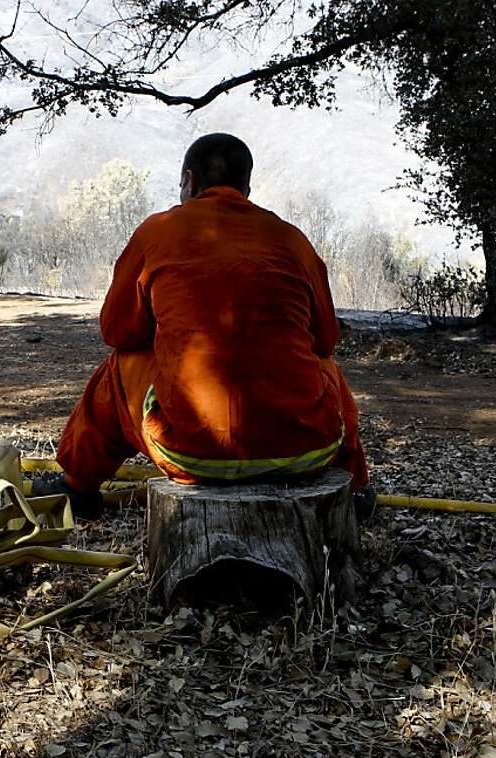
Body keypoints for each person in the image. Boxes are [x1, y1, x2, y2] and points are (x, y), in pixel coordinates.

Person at [39, 133, 374, 521]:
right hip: (306, 450)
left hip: (188, 452)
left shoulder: (157, 231)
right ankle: (357, 489)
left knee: (119, 368)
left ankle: (78, 487)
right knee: (328, 371)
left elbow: (117, 332)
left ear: (190, 180)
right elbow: (325, 340)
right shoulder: (292, 240)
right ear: (246, 188)